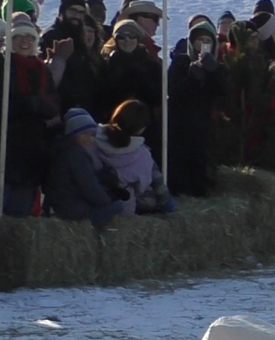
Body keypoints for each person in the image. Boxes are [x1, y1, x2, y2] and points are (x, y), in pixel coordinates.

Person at [0, 12, 59, 218]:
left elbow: (52, 106)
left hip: (30, 152)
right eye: (19, 37)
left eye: (29, 37)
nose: (24, 41)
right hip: (2, 148)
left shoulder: (42, 70)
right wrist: (27, 104)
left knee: (20, 216)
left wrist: (38, 105)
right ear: (10, 39)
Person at [167, 17, 232, 197]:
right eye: (199, 40)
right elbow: (174, 93)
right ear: (191, 42)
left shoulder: (218, 67)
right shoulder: (180, 63)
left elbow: (225, 92)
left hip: (204, 125)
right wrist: (191, 78)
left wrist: (214, 72)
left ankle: (198, 191)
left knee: (199, 164)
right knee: (180, 165)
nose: (203, 44)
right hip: (180, 125)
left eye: (207, 41)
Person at [45, 108, 125, 227]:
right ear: (73, 133)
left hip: (60, 204)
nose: (89, 138)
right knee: (118, 206)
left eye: (92, 135)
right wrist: (107, 200)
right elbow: (89, 186)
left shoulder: (62, 149)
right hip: (71, 209)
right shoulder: (76, 155)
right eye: (84, 133)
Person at [96, 99, 175, 215]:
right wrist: (167, 203)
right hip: (127, 203)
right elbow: (157, 179)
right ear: (140, 127)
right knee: (151, 199)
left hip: (98, 194)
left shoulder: (95, 137)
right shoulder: (141, 154)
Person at [41, 0, 98, 113]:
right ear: (62, 11)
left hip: (81, 107)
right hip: (60, 107)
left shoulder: (78, 37)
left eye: (81, 12)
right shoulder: (52, 36)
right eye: (73, 11)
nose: (77, 16)